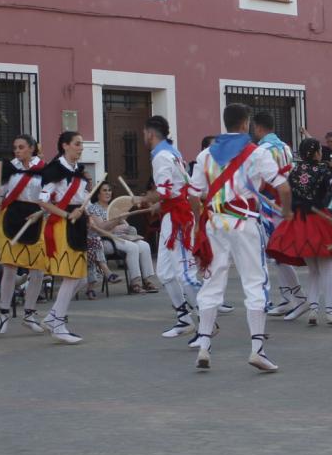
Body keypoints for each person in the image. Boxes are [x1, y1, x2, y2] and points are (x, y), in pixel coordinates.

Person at [188, 103, 291, 373]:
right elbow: (283, 187)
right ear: (246, 124)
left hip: (215, 223)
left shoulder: (205, 155)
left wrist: (200, 221)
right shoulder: (257, 153)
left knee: (212, 282)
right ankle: (257, 349)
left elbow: (193, 194)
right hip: (244, 224)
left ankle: (204, 345)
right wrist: (287, 212)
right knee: (255, 282)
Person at [267, 137, 332, 328]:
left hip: (299, 223)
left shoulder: (293, 171)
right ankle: (331, 312)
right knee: (326, 269)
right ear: (316, 152)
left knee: (313, 271)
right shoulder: (323, 170)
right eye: (320, 150)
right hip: (319, 222)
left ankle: (313, 310)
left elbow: (286, 193)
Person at [134, 115, 201, 338]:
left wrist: (143, 199)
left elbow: (164, 191)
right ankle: (184, 318)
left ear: (150, 134)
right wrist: (159, 204)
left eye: (144, 133)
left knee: (184, 274)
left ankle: (206, 320)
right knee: (165, 272)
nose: (144, 137)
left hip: (177, 218)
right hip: (172, 216)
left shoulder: (161, 156)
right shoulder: (173, 153)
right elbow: (176, 189)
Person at [32, 132, 96, 344]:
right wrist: (67, 215)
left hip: (78, 223)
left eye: (81, 144)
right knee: (71, 276)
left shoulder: (78, 170)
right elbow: (43, 201)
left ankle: (52, 317)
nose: (81, 148)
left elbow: (81, 199)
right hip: (63, 225)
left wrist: (87, 215)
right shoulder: (54, 170)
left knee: (81, 278)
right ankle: (58, 325)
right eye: (77, 144)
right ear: (65, 145)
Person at [0, 134, 48, 335]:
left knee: (38, 269)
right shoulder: (9, 168)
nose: (17, 151)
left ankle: (29, 314)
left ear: (32, 148)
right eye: (15, 147)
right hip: (12, 217)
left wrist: (41, 212)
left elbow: (49, 196)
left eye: (21, 147)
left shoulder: (44, 169)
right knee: (9, 268)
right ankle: (4, 314)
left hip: (35, 218)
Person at [253, 112, 306, 319]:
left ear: (258, 128)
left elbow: (260, 181)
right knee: (277, 254)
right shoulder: (285, 146)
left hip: (270, 205)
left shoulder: (262, 150)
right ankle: (287, 298)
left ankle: (298, 297)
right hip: (283, 202)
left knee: (277, 253)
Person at [87, 180, 159, 294]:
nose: (108, 193)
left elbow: (126, 226)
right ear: (98, 194)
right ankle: (135, 283)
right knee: (132, 247)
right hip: (104, 241)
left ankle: (146, 280)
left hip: (120, 238)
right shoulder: (93, 208)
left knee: (145, 245)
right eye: (104, 190)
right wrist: (116, 224)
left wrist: (124, 223)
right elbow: (101, 228)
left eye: (109, 190)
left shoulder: (114, 208)